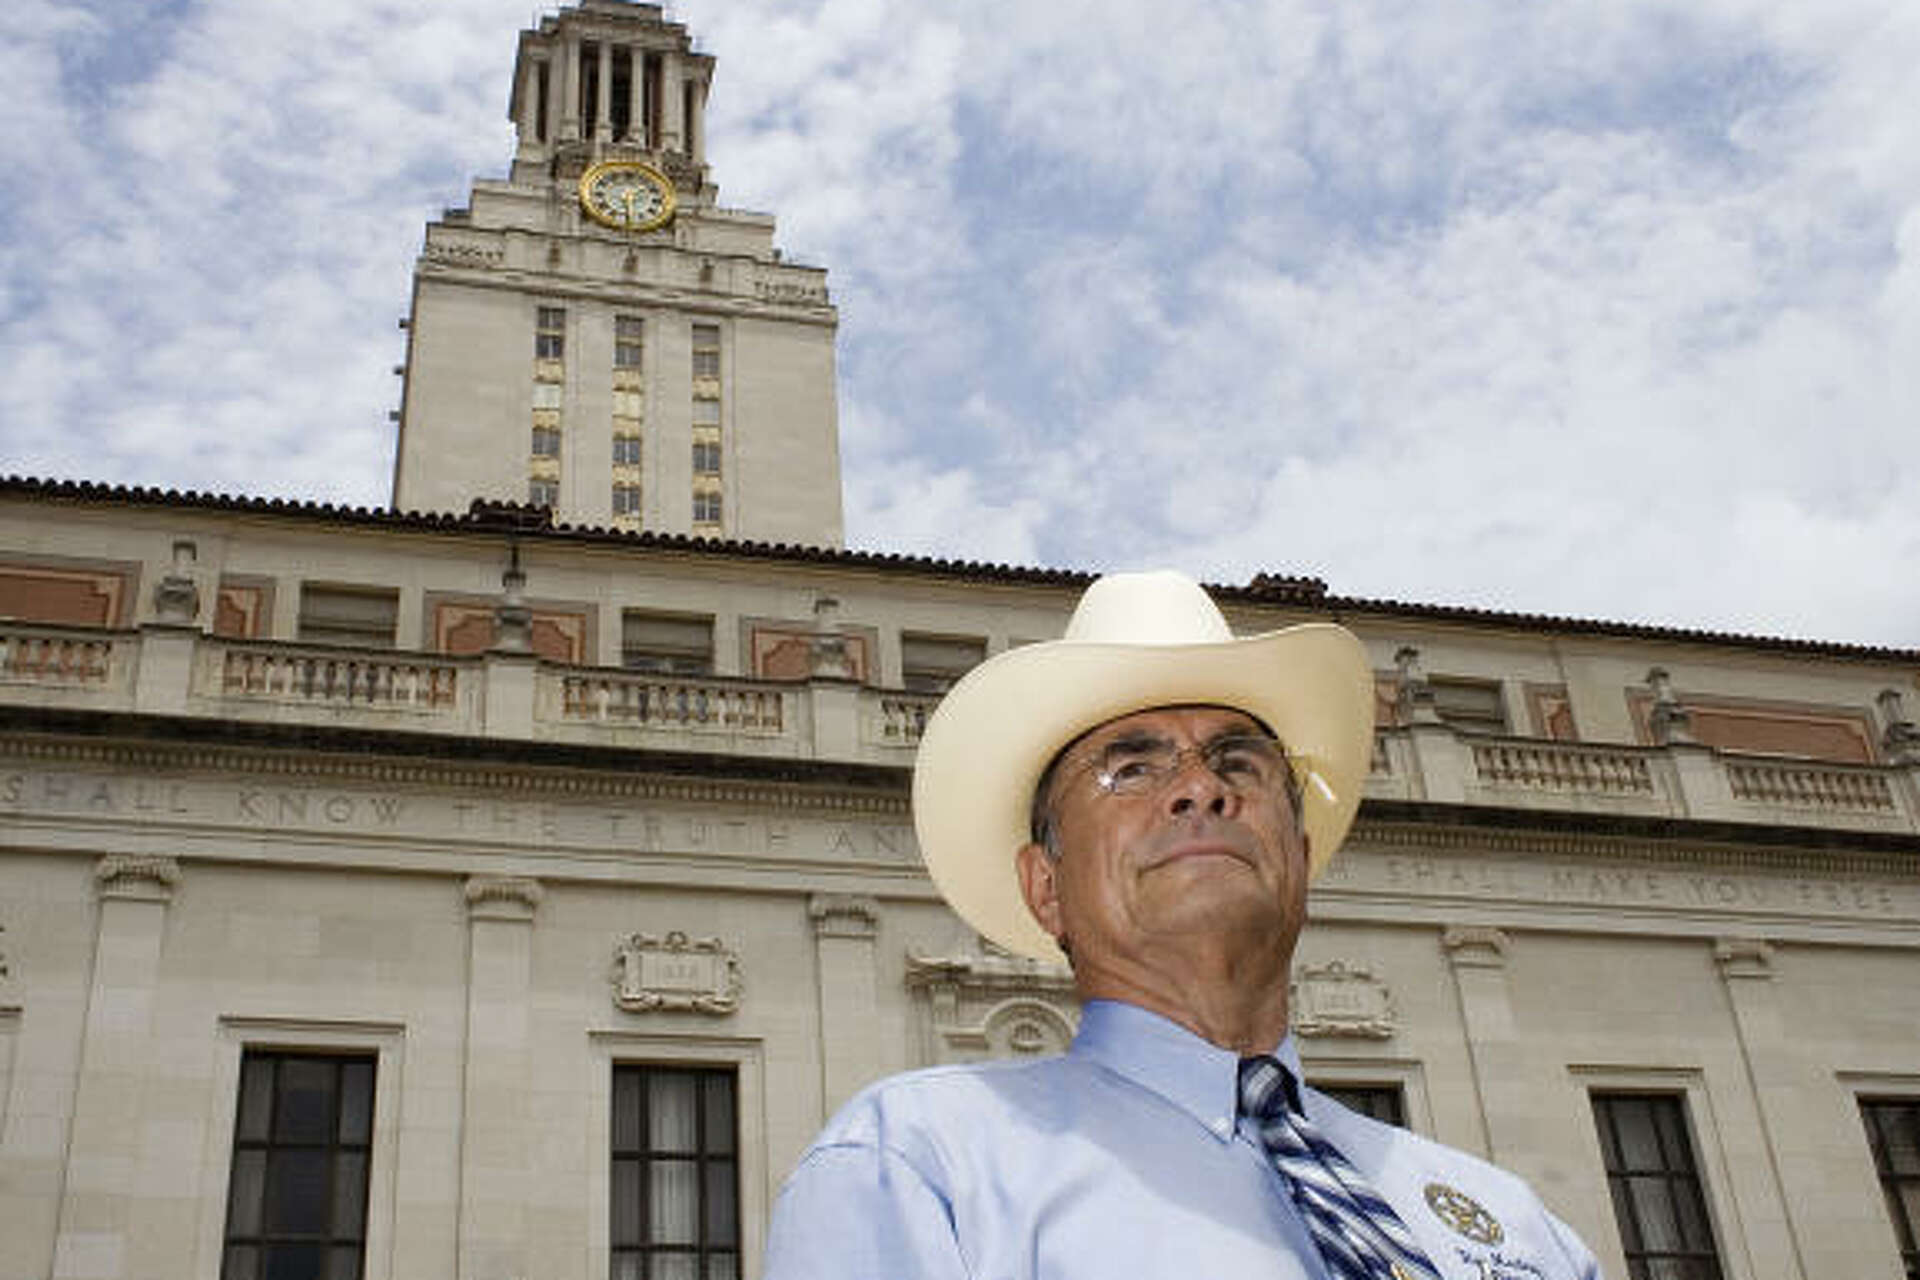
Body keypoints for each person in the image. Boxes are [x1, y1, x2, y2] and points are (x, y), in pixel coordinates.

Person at [763, 570, 1601, 1280]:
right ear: (1045, 887)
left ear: (1301, 856)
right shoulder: (919, 1166)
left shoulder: (1515, 1228)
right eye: (1131, 765)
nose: (1201, 787)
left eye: (1240, 761)